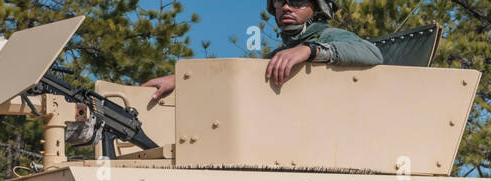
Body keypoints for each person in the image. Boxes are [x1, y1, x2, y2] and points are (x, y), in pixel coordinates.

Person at [143, 1, 383, 100]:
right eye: (280, 1)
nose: (286, 7)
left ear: (317, 8)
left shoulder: (329, 37)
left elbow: (373, 53)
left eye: (297, 1)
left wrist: (311, 51)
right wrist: (182, 80)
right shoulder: (281, 52)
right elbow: (238, 76)